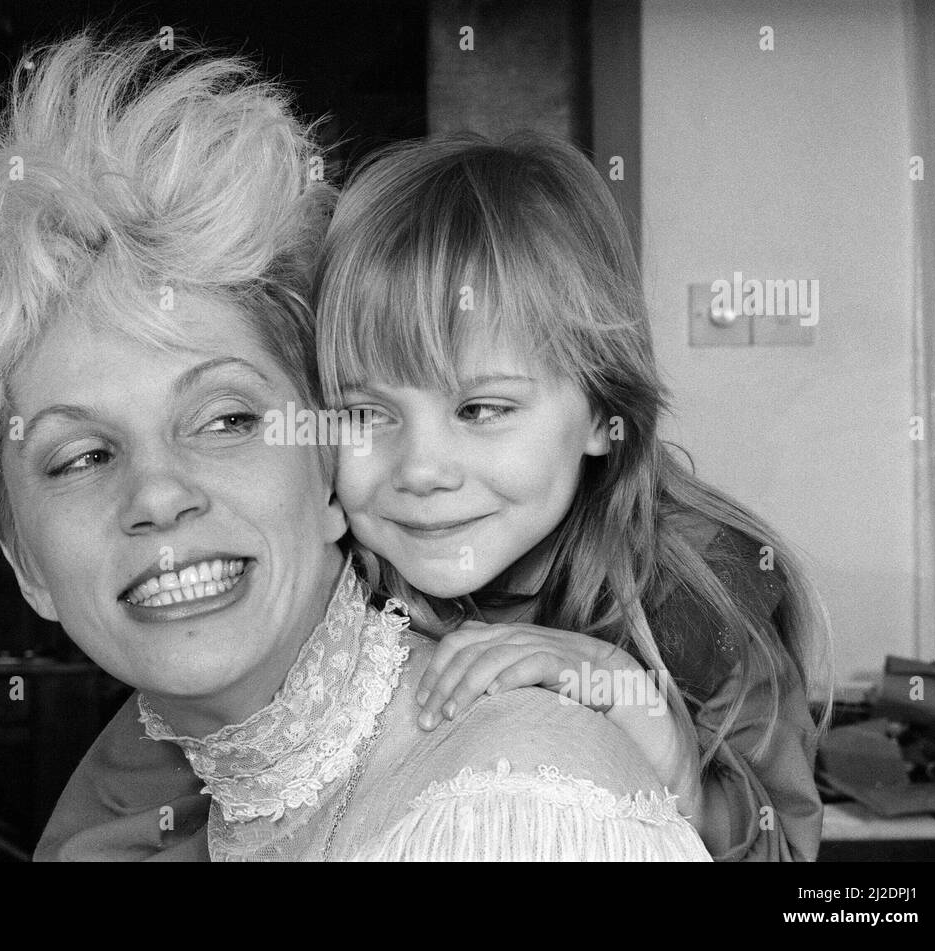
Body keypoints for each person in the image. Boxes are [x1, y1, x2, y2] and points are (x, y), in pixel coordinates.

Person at [0, 32, 710, 862]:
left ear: (327, 466)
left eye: (226, 420)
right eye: (81, 456)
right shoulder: (123, 814)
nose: (157, 495)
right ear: (25, 565)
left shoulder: (518, 794)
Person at [312, 135, 831, 860]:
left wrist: (662, 743)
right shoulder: (321, 592)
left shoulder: (704, 592)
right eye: (365, 415)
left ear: (598, 412)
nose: (420, 470)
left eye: (481, 409)